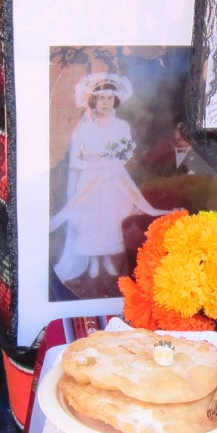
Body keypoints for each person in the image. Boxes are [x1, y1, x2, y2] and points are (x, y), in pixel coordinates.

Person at [50, 72, 169, 284]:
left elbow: (125, 155)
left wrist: (112, 163)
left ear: (115, 101)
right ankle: (94, 260)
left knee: (111, 219)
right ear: (94, 102)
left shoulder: (122, 127)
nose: (105, 103)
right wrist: (95, 164)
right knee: (93, 221)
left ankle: (107, 259)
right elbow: (74, 160)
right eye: (101, 98)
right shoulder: (84, 128)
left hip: (114, 181)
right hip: (91, 183)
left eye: (109, 98)